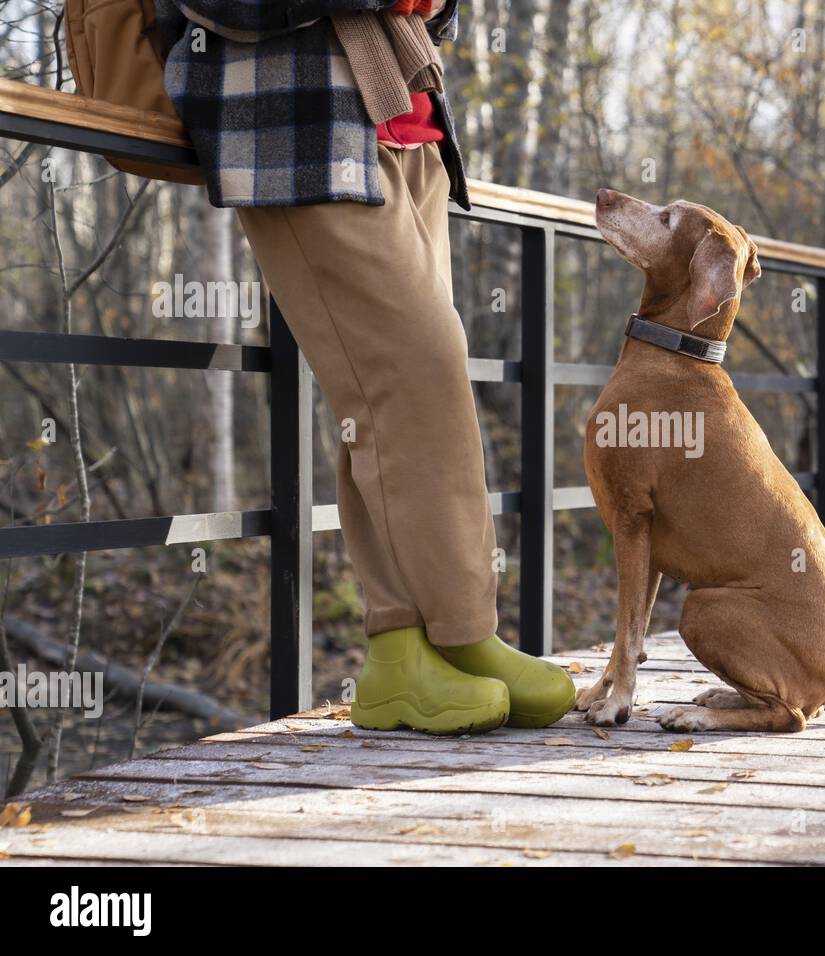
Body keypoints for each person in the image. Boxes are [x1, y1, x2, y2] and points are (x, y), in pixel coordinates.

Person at [156, 0, 575, 733]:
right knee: (422, 375)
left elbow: (441, 22)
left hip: (410, 130)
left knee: (385, 399)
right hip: (297, 132)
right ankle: (465, 632)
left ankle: (404, 654)